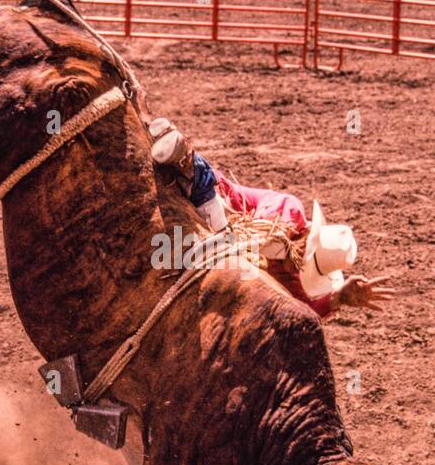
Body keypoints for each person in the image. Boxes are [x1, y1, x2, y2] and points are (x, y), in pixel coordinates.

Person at [148, 119, 395, 318]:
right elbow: (263, 231)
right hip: (215, 206)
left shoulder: (289, 279)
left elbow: (304, 313)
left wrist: (338, 298)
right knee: (200, 177)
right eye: (304, 256)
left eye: (305, 267)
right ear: (307, 235)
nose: (296, 266)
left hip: (204, 252)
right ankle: (176, 152)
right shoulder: (292, 211)